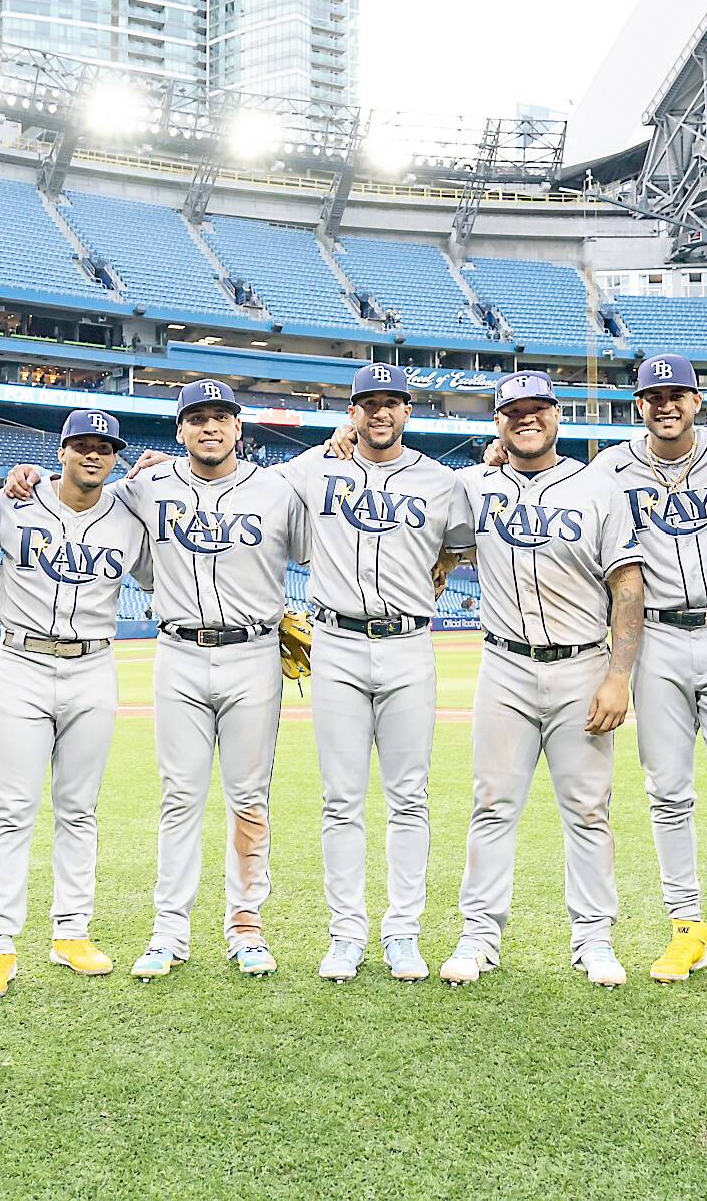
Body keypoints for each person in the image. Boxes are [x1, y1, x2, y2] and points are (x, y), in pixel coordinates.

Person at [19, 380, 306, 980]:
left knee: (249, 796)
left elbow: (315, 549)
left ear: (238, 429)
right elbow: (76, 490)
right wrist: (27, 476)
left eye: (220, 418)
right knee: (180, 796)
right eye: (196, 419)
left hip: (254, 651)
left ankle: (246, 925)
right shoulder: (146, 487)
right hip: (178, 652)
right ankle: (170, 929)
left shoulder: (276, 490)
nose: (209, 428)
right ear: (178, 431)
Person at [439, 371, 645, 989]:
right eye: (512, 412)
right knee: (492, 804)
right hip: (503, 664)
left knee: (588, 808)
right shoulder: (471, 485)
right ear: (497, 423)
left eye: (538, 409)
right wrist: (444, 564)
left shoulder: (598, 486)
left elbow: (627, 584)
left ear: (556, 416)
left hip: (582, 662)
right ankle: (479, 936)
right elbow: (431, 538)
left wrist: (618, 674)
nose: (526, 419)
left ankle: (594, 939)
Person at [274, 363, 474, 983]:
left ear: (407, 411)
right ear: (352, 411)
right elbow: (243, 485)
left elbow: (464, 541)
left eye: (392, 403)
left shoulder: (441, 480)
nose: (381, 413)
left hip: (409, 642)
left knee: (408, 797)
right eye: (368, 404)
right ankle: (346, 933)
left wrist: (439, 567)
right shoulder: (313, 467)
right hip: (334, 641)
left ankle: (403, 932)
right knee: (341, 799)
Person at [591, 353, 707, 990]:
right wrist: (495, 461)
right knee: (667, 790)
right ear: (638, 405)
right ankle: (686, 929)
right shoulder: (610, 468)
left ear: (699, 401)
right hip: (656, 638)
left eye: (678, 394)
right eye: (653, 396)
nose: (665, 405)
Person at [0, 410, 151, 1000]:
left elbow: (167, 566)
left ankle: (71, 933)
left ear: (115, 456)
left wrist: (161, 472)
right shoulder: (14, 502)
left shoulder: (131, 515)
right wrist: (11, 597)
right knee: (11, 809)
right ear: (61, 451)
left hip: (94, 665)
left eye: (105, 448)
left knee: (79, 809)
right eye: (82, 446)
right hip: (22, 663)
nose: (93, 456)